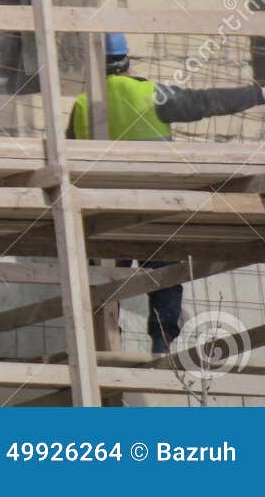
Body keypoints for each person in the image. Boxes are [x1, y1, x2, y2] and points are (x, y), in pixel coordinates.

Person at [68, 32, 265, 352]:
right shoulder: (151, 95)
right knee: (165, 274)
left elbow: (72, 159)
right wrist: (257, 94)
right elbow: (208, 103)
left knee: (101, 283)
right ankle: (161, 345)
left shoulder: (81, 105)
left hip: (104, 213)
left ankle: (101, 351)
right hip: (154, 208)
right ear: (127, 62)